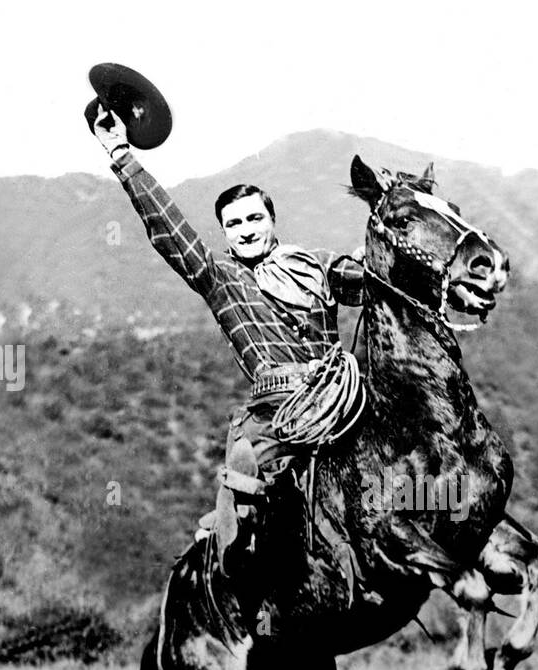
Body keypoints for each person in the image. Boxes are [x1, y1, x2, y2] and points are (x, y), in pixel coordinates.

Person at [91, 104, 365, 569]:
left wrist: (371, 262)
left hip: (342, 395)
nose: (246, 230)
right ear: (224, 233)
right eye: (234, 224)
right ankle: (236, 566)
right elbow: (169, 230)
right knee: (244, 499)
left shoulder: (318, 262)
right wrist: (122, 152)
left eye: (254, 219)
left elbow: (367, 287)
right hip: (276, 412)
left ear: (272, 220)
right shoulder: (219, 276)